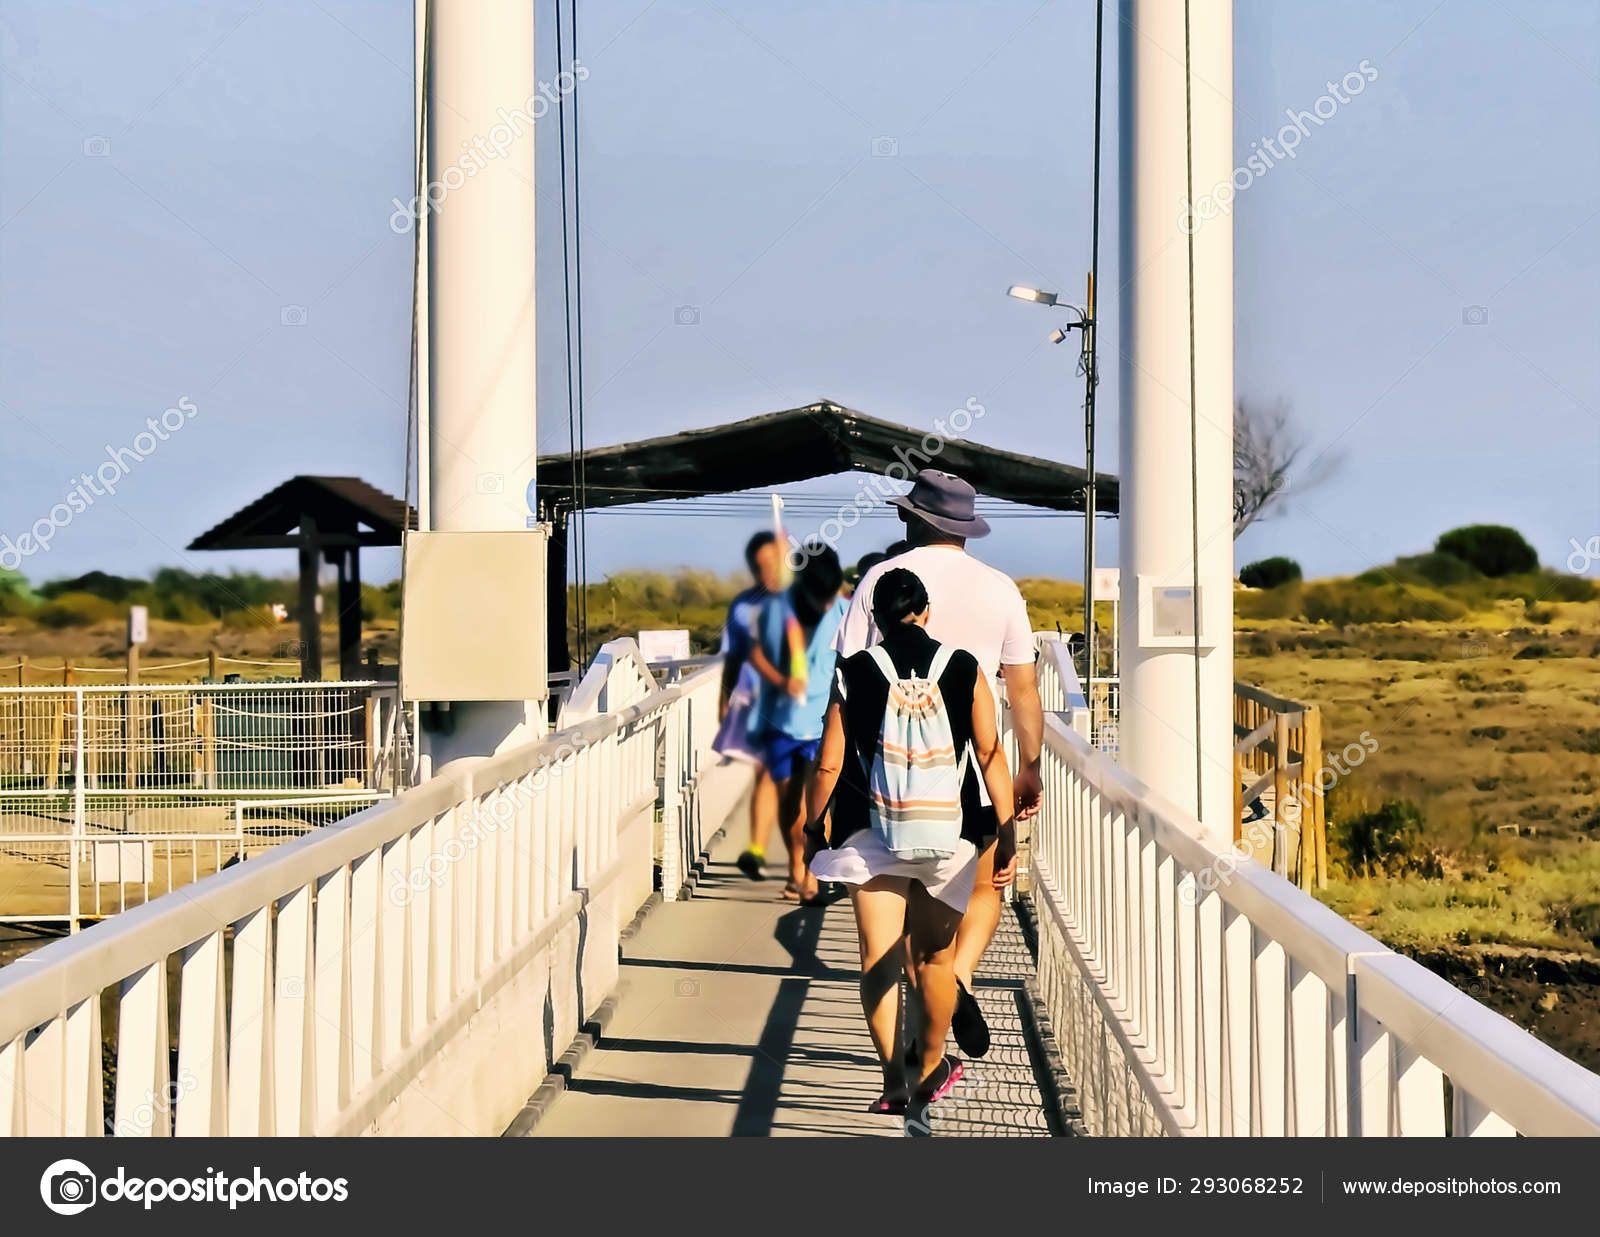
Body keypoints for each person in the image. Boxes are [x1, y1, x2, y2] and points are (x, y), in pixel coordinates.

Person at [833, 468, 1043, 1060]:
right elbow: (1022, 690)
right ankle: (959, 978)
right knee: (985, 887)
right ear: (966, 529)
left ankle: (904, 1066)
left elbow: (845, 680)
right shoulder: (1000, 588)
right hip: (969, 775)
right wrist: (1029, 766)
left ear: (910, 518)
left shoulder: (879, 579)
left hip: (886, 779)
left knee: (896, 911)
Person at [804, 568, 1016, 1112]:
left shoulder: (852, 670)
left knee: (879, 958)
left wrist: (812, 832)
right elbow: (991, 755)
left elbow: (828, 764)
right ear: (925, 612)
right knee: (936, 960)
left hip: (871, 832)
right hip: (953, 834)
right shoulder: (965, 667)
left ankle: (891, 1085)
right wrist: (1008, 832)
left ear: (874, 618)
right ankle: (930, 1068)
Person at [744, 547, 850, 902]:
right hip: (783, 720)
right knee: (790, 802)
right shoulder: (777, 608)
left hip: (827, 719)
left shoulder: (845, 611)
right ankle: (795, 864)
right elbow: (756, 652)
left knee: (818, 802)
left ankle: (813, 875)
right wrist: (781, 678)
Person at [718, 532, 783, 879]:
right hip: (758, 704)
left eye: (773, 564)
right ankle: (757, 850)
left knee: (802, 781)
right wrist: (723, 702)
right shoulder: (743, 606)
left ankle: (810, 864)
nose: (766, 573)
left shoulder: (804, 602)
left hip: (805, 706)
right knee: (766, 774)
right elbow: (732, 657)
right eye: (760, 567)